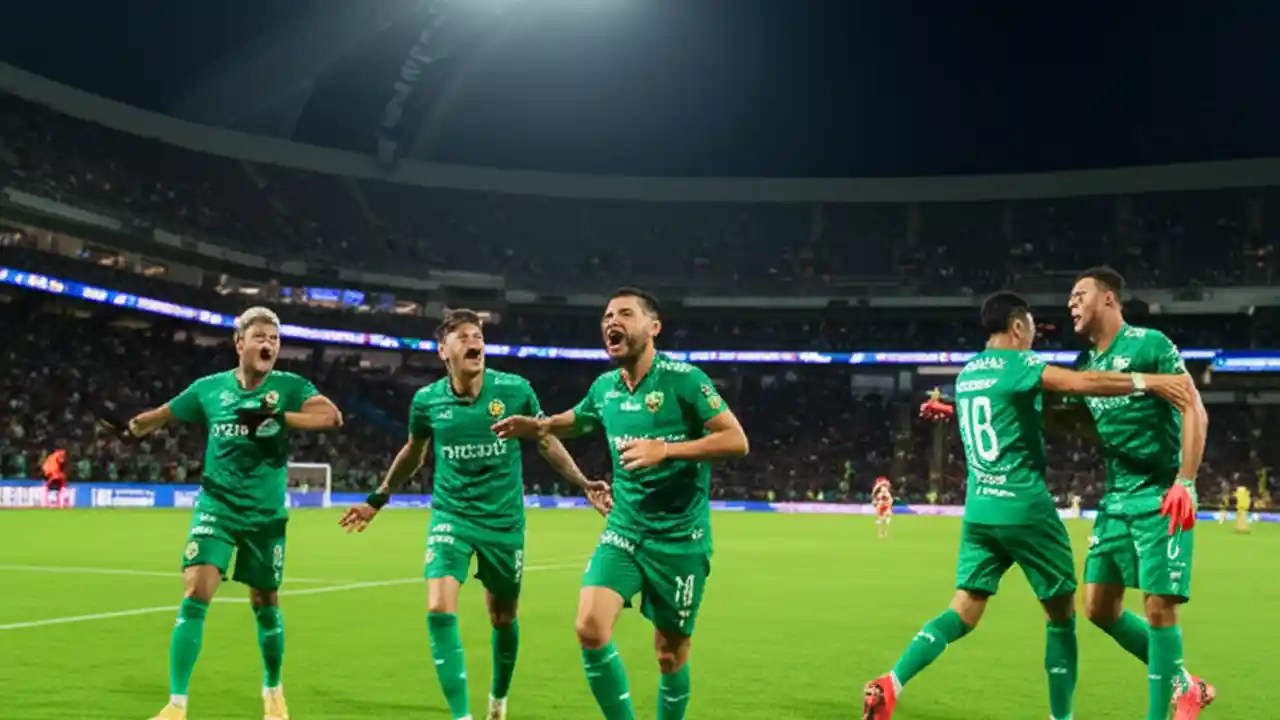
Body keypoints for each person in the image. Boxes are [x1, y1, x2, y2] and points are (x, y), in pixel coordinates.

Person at [863, 291, 1199, 720]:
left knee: (964, 606)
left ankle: (892, 682)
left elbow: (1003, 412)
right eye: (1033, 331)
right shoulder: (1020, 365)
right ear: (1018, 327)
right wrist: (1147, 381)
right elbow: (1083, 383)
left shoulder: (967, 376)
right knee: (1062, 616)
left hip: (980, 511)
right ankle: (1064, 718)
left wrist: (946, 407)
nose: (1034, 340)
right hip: (1026, 510)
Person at [339, 308, 610, 720]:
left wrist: (583, 480)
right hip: (452, 516)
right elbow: (414, 452)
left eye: (477, 335)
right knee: (438, 608)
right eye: (463, 336)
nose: (473, 341)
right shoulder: (427, 401)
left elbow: (545, 440)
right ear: (443, 350)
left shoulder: (515, 390)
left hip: (503, 522)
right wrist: (377, 499)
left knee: (502, 617)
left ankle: (497, 703)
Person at [492, 287, 749, 720]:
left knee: (670, 654)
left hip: (680, 539)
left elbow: (736, 440)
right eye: (607, 316)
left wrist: (665, 450)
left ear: (654, 326)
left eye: (625, 314)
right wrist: (537, 426)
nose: (612, 321)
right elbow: (577, 419)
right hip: (625, 531)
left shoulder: (685, 380)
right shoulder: (605, 386)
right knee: (589, 628)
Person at [106, 307, 343, 720]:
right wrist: (143, 423)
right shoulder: (209, 390)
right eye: (260, 337)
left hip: (265, 514)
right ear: (240, 343)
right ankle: (176, 704)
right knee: (197, 590)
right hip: (216, 505)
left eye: (274, 338)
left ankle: (273, 690)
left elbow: (331, 416)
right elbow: (167, 411)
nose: (268, 344)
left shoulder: (289, 386)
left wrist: (277, 417)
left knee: (265, 600)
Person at [1065, 267, 1215, 720]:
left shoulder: (1150, 345)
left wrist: (1185, 480)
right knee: (1098, 608)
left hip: (1160, 495)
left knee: (1159, 608)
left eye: (1080, 295)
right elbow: (1066, 420)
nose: (1071, 303)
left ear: (1108, 299)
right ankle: (1185, 685)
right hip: (1116, 499)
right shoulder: (1087, 367)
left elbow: (1195, 409)